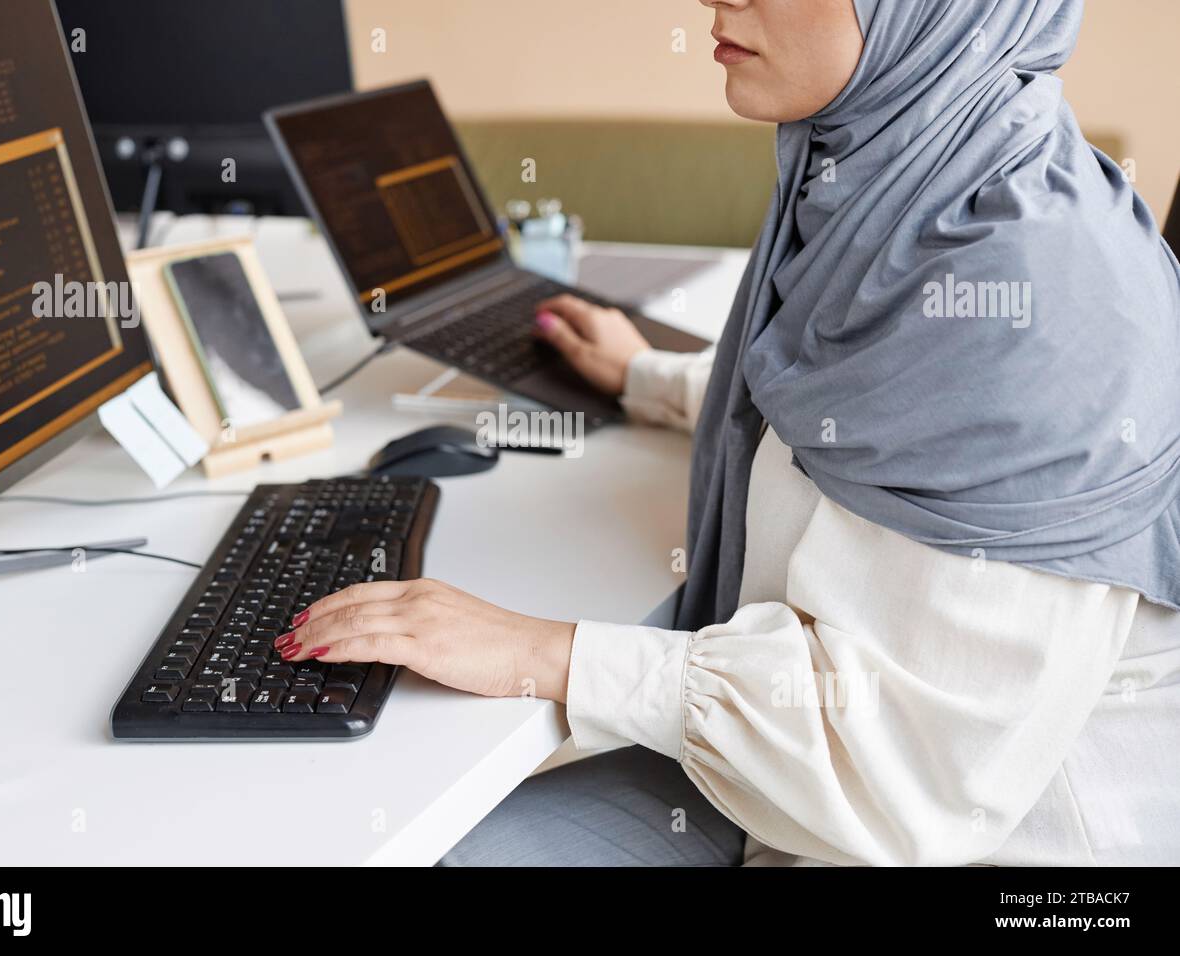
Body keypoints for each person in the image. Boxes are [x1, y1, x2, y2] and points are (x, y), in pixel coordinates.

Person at [276, 0, 1180, 865]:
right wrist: (655, 382)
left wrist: (545, 653)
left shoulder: (1037, 291)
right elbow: (881, 410)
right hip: (791, 790)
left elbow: (910, 783)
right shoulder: (904, 177)